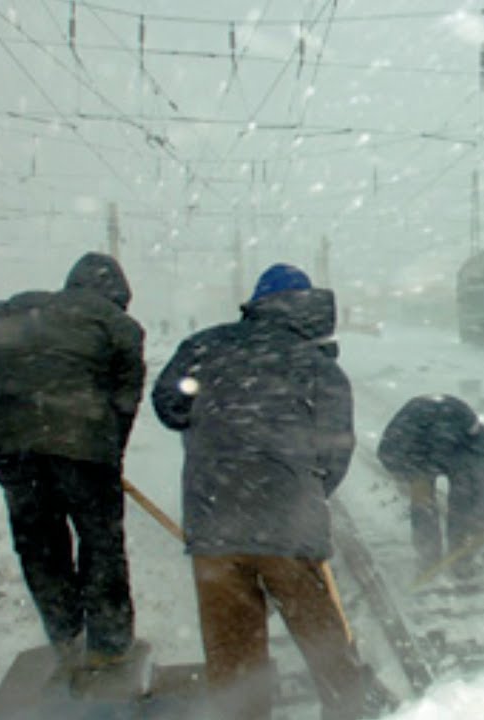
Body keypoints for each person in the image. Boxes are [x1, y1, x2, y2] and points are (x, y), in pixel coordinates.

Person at [153, 263, 385, 719]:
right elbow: (334, 452)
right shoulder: (318, 366)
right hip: (290, 526)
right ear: (311, 309)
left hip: (215, 525)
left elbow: (169, 406)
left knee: (233, 656)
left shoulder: (204, 346)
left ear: (256, 304)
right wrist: (300, 493)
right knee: (323, 641)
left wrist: (216, 428)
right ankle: (347, 711)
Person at [0, 252, 145, 669]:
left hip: (11, 448)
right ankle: (108, 646)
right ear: (117, 296)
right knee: (100, 543)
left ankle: (65, 635)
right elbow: (125, 402)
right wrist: (110, 457)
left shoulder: (20, 307)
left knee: (39, 544)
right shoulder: (120, 326)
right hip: (84, 445)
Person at [377, 394, 484, 578]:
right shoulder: (407, 433)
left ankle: (443, 553)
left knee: (452, 499)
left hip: (454, 446)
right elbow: (387, 454)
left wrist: (479, 519)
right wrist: (408, 475)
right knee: (430, 502)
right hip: (421, 449)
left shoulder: (474, 444)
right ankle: (435, 554)